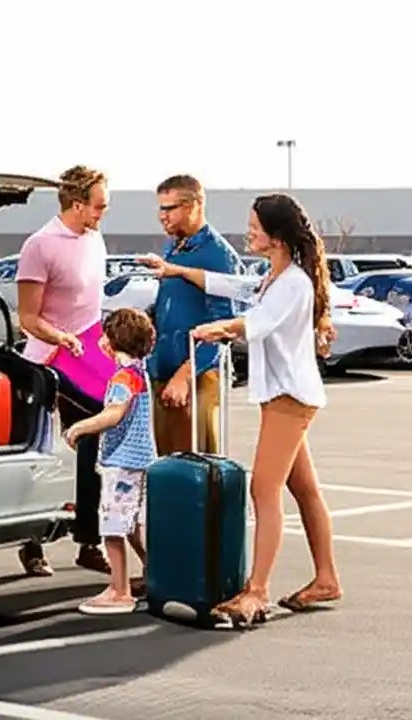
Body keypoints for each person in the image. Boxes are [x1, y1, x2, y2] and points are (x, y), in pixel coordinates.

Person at [138, 193, 342, 625]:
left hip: (290, 399)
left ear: (277, 237)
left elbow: (257, 323)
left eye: (254, 227)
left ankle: (257, 592)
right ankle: (326, 577)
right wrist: (174, 270)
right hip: (286, 396)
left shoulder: (292, 284)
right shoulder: (275, 275)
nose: (248, 232)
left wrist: (220, 328)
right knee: (304, 490)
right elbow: (229, 285)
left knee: (262, 490)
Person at [14, 165, 111, 577]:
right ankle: (31, 542)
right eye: (100, 205)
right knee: (39, 452)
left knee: (96, 445)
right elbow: (28, 318)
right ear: (77, 204)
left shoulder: (95, 238)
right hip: (47, 357)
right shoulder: (40, 246)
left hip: (88, 352)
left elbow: (91, 305)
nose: (104, 211)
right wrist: (59, 338)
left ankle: (90, 541)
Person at [62, 308, 158, 614]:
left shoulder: (123, 377)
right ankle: (158, 574)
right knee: (131, 525)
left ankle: (119, 590)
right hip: (141, 458)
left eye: (106, 335)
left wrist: (80, 427)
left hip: (122, 460)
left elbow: (113, 414)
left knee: (113, 525)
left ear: (113, 341)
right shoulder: (141, 372)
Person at [148, 175, 243, 455]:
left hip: (197, 378)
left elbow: (224, 327)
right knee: (168, 464)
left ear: (195, 205)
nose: (162, 216)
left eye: (170, 208)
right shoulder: (174, 248)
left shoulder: (218, 256)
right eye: (161, 208)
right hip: (164, 375)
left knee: (199, 463)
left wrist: (184, 376)